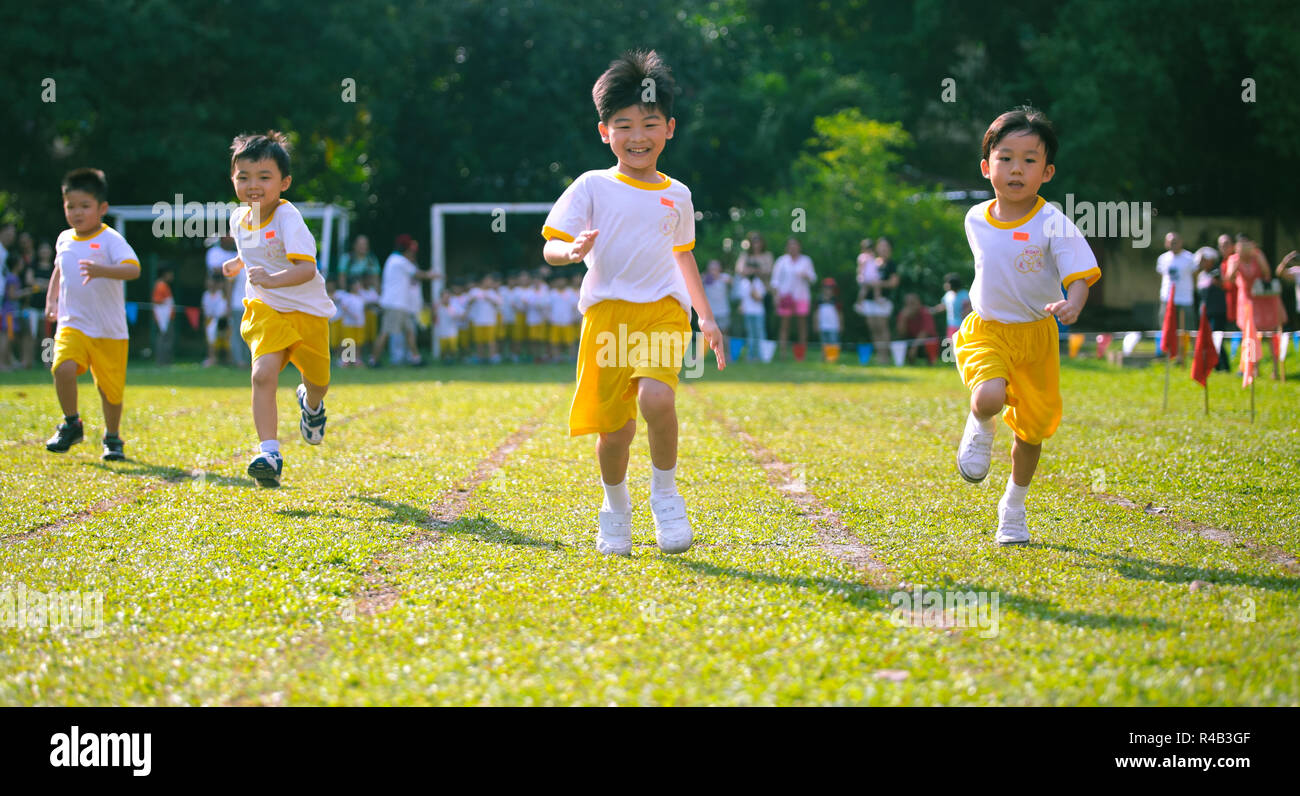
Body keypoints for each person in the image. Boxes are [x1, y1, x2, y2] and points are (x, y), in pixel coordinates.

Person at [540, 49, 726, 557]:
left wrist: (705, 318)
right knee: (616, 431)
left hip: (664, 313)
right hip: (606, 316)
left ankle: (665, 495)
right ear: (605, 132)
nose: (637, 136)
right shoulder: (592, 185)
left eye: (649, 123)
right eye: (623, 125)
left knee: (658, 399)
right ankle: (615, 507)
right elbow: (551, 244)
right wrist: (570, 251)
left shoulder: (679, 195)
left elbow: (684, 256)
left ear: (670, 127)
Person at [953, 107, 1100, 545]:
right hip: (988, 329)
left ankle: (1012, 508)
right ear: (987, 166)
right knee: (989, 396)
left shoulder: (1053, 221)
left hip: (1037, 337)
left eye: (1030, 160)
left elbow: (1079, 272)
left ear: (1047, 171)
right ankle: (979, 427)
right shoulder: (975, 218)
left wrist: (1073, 304)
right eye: (1006, 157)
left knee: (1032, 433)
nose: (1017, 168)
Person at [221, 131, 336, 488]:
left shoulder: (289, 218)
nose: (253, 186)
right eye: (244, 177)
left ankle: (312, 406)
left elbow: (307, 269)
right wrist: (238, 263)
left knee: (318, 382)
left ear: (284, 182)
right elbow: (253, 249)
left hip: (306, 312)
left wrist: (271, 278)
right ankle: (269, 453)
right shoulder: (238, 218)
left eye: (264, 177)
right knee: (262, 374)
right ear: (233, 180)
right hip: (265, 308)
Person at [44, 168, 141, 460]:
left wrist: (102, 270)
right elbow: (59, 270)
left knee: (111, 393)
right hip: (72, 323)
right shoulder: (64, 239)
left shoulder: (111, 239)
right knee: (61, 367)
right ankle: (71, 422)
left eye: (84, 206)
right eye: (70, 206)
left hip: (109, 329)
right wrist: (52, 301)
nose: (76, 213)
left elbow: (133, 269)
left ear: (102, 208)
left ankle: (112, 438)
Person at [1225, 233, 1285, 380]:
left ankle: (1276, 369)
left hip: (1264, 299)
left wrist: (1256, 256)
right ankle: (1254, 368)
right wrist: (1237, 263)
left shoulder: (1257, 255)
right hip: (1247, 300)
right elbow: (1229, 279)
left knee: (1271, 335)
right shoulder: (1234, 259)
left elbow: (1267, 273)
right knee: (1251, 336)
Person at [371, 234, 433, 366]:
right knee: (386, 332)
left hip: (400, 304)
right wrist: (433, 274)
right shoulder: (400, 261)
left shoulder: (393, 259)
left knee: (410, 331)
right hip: (395, 303)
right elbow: (418, 274)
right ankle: (374, 360)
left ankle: (416, 359)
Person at [771, 237, 816, 359]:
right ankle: (783, 353)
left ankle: (801, 354)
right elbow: (775, 281)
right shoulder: (781, 261)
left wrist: (806, 275)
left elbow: (813, 278)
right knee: (785, 325)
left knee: (802, 326)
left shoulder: (806, 261)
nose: (793, 248)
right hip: (785, 298)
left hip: (802, 297)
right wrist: (776, 296)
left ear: (799, 247)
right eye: (790, 245)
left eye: (795, 245)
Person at [1156, 231, 1195, 365]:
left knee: (1187, 329)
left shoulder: (1189, 258)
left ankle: (1186, 355)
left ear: (1181, 242)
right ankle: (1169, 354)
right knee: (1167, 328)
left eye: (1175, 242)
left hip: (1184, 298)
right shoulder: (1162, 258)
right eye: (1170, 242)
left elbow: (1195, 275)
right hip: (1167, 298)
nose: (1173, 244)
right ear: (1166, 243)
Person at [1194, 245, 1231, 371]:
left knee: (1217, 340)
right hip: (1205, 312)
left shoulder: (1217, 272)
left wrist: (1218, 283)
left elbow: (1224, 286)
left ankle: (1224, 366)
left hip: (1217, 311)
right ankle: (1213, 365)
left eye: (1204, 260)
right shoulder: (1201, 275)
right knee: (1208, 341)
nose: (1201, 263)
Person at [734, 259, 766, 361]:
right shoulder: (743, 283)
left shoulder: (759, 283)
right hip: (747, 312)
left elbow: (758, 298)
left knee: (759, 335)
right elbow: (742, 299)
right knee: (750, 335)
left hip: (758, 313)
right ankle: (751, 356)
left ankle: (761, 356)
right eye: (748, 268)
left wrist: (752, 286)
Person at [896, 292, 938, 365]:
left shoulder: (925, 312)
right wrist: (903, 319)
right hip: (911, 339)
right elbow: (901, 333)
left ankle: (931, 362)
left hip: (926, 341)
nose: (910, 306)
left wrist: (914, 348)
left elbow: (925, 332)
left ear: (919, 303)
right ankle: (906, 362)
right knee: (901, 341)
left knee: (929, 341)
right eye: (908, 304)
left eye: (913, 303)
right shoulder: (903, 314)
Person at [932, 272, 972, 342]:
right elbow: (944, 306)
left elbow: (968, 308)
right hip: (951, 325)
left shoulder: (964, 294)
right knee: (952, 347)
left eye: (946, 283)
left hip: (962, 325)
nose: (945, 285)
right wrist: (932, 310)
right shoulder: (948, 295)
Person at [701, 259, 732, 345]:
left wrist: (718, 277)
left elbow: (731, 281)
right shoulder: (706, 279)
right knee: (705, 333)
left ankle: (727, 355)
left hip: (723, 311)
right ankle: (699, 356)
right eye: (711, 268)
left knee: (725, 334)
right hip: (710, 312)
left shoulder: (724, 277)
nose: (713, 270)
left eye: (715, 268)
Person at [200, 277, 229, 367]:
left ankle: (227, 359)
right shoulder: (206, 295)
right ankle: (212, 358)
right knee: (211, 340)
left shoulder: (221, 294)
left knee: (225, 340)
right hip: (210, 319)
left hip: (222, 319)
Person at [151, 268, 175, 365]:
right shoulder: (161, 285)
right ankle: (162, 362)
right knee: (163, 339)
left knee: (166, 339)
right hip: (163, 318)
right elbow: (157, 300)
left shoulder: (164, 285)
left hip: (168, 317)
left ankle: (165, 361)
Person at [815, 277, 842, 353]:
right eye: (826, 288)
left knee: (833, 343)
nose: (828, 290)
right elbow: (816, 313)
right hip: (822, 326)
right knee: (823, 343)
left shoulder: (836, 300)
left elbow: (840, 314)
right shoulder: (819, 300)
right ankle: (824, 358)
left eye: (830, 288)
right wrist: (816, 324)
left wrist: (840, 325)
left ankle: (832, 359)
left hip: (834, 326)